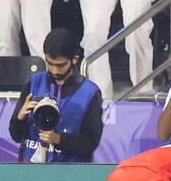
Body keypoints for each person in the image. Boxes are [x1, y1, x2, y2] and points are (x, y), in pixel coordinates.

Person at [9, 28, 105, 161]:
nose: (54, 70)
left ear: (74, 60)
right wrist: (19, 118)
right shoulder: (33, 82)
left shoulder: (90, 92)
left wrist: (59, 139)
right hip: (31, 170)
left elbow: (91, 143)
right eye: (49, 64)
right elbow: (15, 136)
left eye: (60, 65)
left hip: (70, 173)